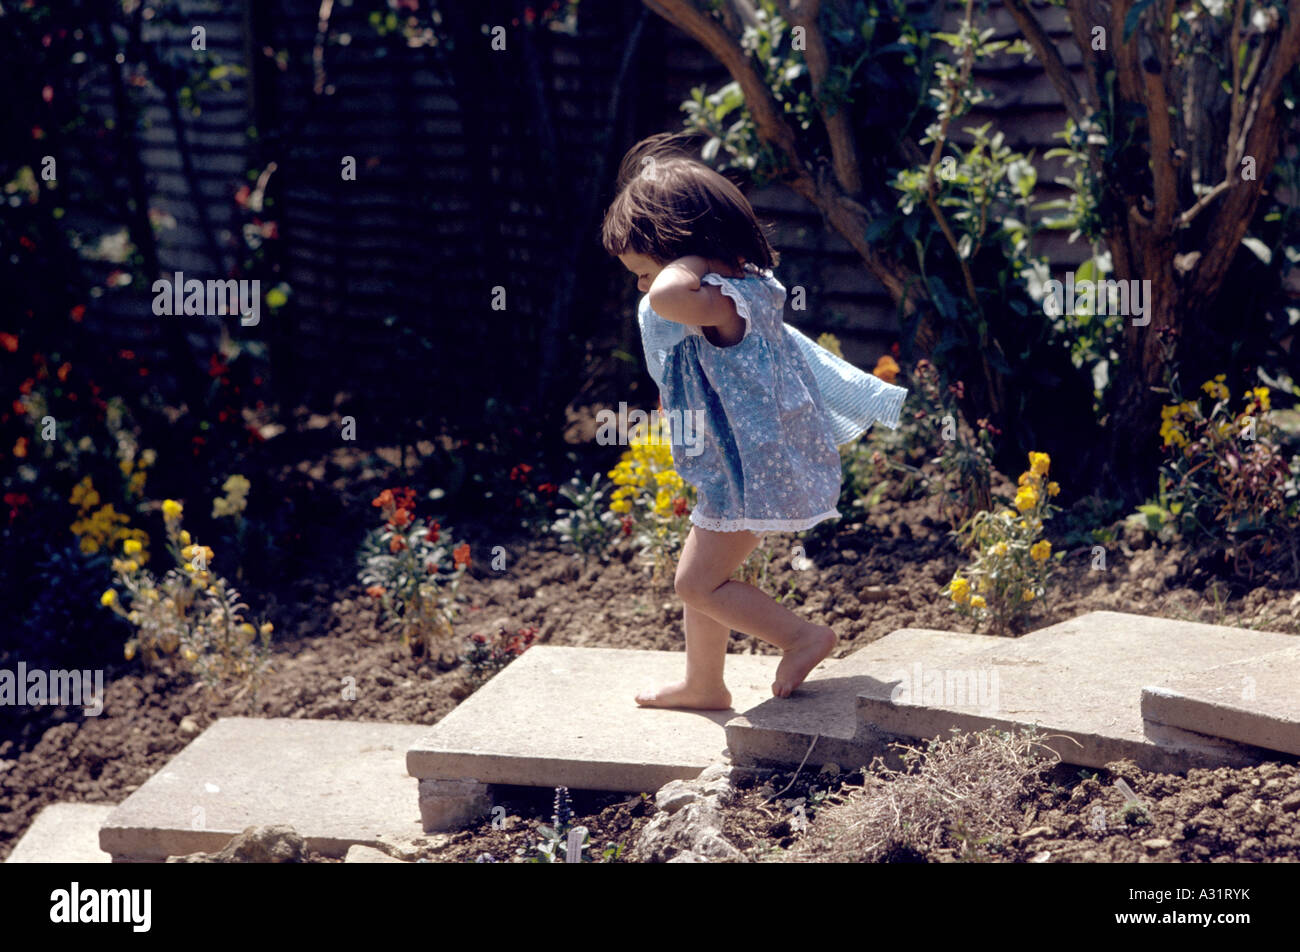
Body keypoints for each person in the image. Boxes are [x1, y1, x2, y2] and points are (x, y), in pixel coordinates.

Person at [600, 134, 908, 709]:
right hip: (735, 469)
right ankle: (704, 683)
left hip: (753, 475)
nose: (642, 286)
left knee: (696, 583)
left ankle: (801, 637)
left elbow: (665, 298)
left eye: (644, 271)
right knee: (701, 577)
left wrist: (687, 262)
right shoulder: (739, 292)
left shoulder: (722, 302)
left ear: (686, 254)